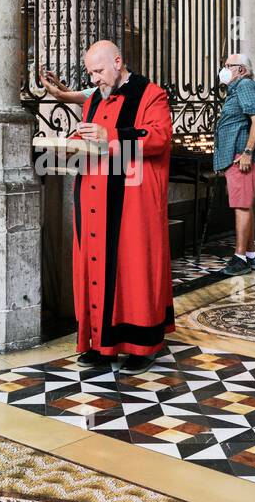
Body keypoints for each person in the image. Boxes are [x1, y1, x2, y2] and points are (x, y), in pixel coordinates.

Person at [63, 41, 174, 371]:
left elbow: (159, 138)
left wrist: (107, 134)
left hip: (130, 200)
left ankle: (142, 346)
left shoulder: (150, 93)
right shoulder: (94, 100)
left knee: (133, 269)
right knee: (91, 267)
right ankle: (100, 344)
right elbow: (86, 136)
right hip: (91, 194)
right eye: (90, 73)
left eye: (98, 71)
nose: (94, 79)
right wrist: (68, 144)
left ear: (117, 61)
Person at [212, 52, 255, 276]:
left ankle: (239, 257)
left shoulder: (245, 85)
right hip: (235, 156)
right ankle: (252, 256)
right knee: (244, 205)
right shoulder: (238, 88)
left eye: (229, 65)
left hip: (241, 157)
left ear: (242, 70)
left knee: (242, 207)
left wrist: (246, 152)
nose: (224, 69)